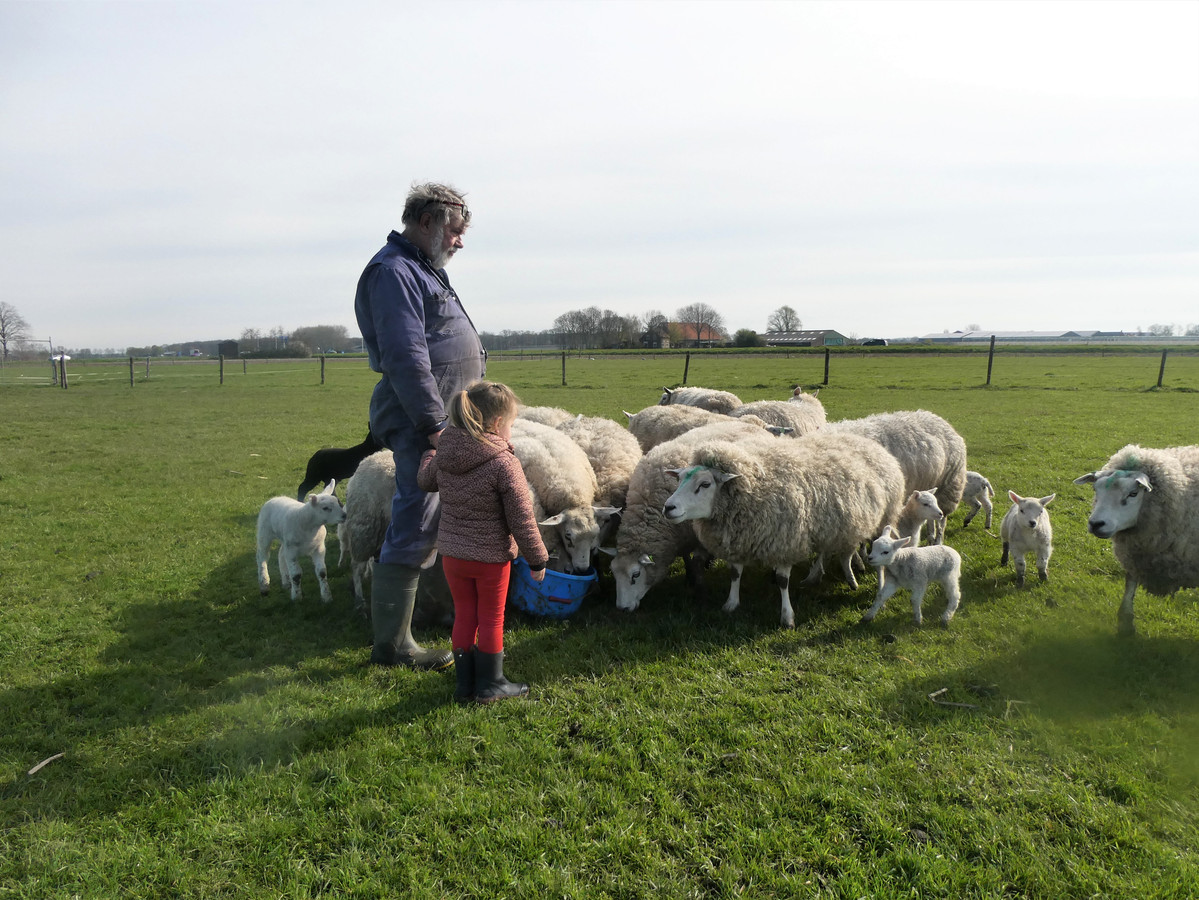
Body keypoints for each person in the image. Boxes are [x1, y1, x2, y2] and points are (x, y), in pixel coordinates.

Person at [354, 183, 486, 670]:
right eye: (455, 230)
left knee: (428, 516)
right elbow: (406, 356)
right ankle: (393, 646)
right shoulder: (394, 272)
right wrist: (435, 425)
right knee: (416, 515)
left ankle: (418, 622)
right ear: (427, 221)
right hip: (421, 421)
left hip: (442, 419)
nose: (459, 241)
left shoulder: (419, 269)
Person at [417, 381, 549, 703]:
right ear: (497, 423)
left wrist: (428, 455)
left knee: (465, 615)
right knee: (491, 618)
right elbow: (522, 517)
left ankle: (465, 685)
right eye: (512, 425)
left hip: (453, 556)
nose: (512, 432)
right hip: (491, 559)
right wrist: (538, 558)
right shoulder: (504, 462)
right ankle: (491, 685)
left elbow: (425, 481)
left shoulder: (447, 452)